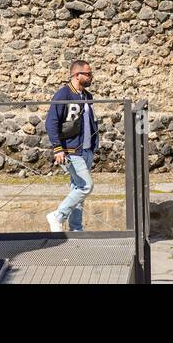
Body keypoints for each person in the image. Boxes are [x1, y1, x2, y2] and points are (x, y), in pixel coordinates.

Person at [44, 60, 98, 232]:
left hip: (86, 150)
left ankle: (76, 229)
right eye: (88, 74)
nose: (91, 77)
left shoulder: (87, 96)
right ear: (77, 75)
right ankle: (58, 216)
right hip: (71, 150)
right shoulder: (63, 94)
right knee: (86, 186)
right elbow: (51, 121)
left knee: (77, 190)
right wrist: (57, 148)